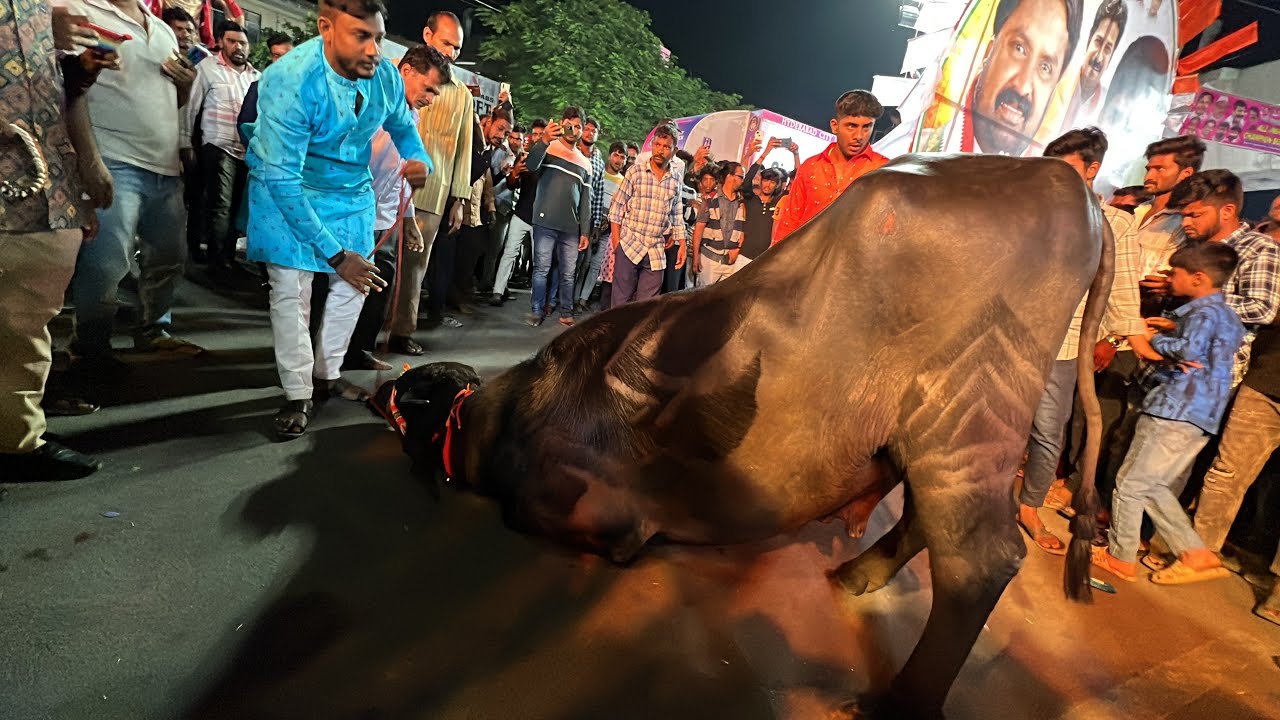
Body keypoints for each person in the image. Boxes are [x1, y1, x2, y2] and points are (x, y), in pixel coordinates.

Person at [242, 0, 431, 439]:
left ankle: (327, 374)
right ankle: (297, 392)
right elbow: (283, 179)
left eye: (379, 38)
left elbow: (403, 127)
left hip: (350, 193)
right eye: (361, 36)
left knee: (354, 285)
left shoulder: (382, 74)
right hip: (290, 191)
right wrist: (335, 253)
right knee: (292, 293)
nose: (373, 50)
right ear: (326, 29)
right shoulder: (289, 80)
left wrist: (418, 159)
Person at [1016, 127, 1156, 555]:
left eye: (1066, 169)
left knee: (1047, 431)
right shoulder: (1030, 213)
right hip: (1012, 337)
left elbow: (1124, 289)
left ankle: (1029, 506)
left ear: (1093, 169)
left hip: (1063, 346)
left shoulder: (1115, 223)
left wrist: (1131, 338)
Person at [0, 3, 115, 481]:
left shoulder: (46, 7)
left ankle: (15, 441)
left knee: (26, 326)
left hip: (45, 189)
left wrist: (86, 167)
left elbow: (58, 93)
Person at [1091, 242, 1245, 585]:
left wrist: (1150, 340)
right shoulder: (1225, 316)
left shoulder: (1202, 315)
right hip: (1200, 415)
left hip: (1175, 407)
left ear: (1198, 278)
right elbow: (1209, 345)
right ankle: (1191, 553)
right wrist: (1173, 329)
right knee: (1151, 484)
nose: (1170, 278)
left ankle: (1122, 557)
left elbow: (1189, 350)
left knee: (1131, 484)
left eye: (1175, 273)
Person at [65, 0, 200, 378]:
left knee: (169, 256)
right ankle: (89, 347)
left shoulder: (160, 27)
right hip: (114, 159)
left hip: (164, 164)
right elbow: (69, 86)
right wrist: (90, 162)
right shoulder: (80, 10)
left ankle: (154, 330)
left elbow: (173, 100)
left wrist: (186, 86)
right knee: (105, 265)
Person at [342, 45, 450, 372]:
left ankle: (357, 353)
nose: (431, 98)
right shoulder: (369, 106)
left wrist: (410, 220)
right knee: (343, 296)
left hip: (387, 218)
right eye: (428, 88)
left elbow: (402, 173)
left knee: (379, 291)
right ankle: (321, 373)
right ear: (405, 72)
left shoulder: (409, 118)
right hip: (355, 217)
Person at [388, 9, 472, 356]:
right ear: (427, 36)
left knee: (414, 268)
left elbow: (464, 150)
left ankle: (400, 332)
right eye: (446, 43)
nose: (451, 52)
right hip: (385, 184)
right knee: (376, 258)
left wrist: (460, 199)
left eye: (456, 48)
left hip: (431, 195)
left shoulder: (462, 95)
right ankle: (360, 330)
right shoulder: (395, 71)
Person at [182, 20, 259, 285]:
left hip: (246, 149)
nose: (238, 47)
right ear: (221, 42)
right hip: (217, 144)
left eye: (243, 43)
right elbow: (191, 107)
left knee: (237, 207)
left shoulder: (256, 77)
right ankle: (216, 263)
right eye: (232, 41)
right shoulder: (207, 68)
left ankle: (227, 257)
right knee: (220, 204)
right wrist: (185, 143)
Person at [955, 0, 1083, 156]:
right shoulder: (924, 138)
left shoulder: (1045, 178)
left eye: (1045, 67)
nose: (1023, 87)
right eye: (1019, 48)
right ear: (989, 51)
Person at [772, 90, 887, 244]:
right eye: (851, 126)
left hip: (854, 265)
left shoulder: (883, 170)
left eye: (867, 127)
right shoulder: (811, 166)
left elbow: (887, 230)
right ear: (835, 126)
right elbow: (790, 220)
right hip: (804, 262)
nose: (859, 136)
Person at [523, 106, 592, 327]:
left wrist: (585, 231)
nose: (574, 130)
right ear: (562, 124)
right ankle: (536, 310)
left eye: (578, 126)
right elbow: (531, 165)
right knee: (541, 268)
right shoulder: (549, 147)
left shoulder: (585, 163)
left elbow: (585, 201)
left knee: (568, 273)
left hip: (571, 227)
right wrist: (543, 140)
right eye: (569, 124)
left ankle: (565, 310)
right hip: (544, 220)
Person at [608, 123, 685, 307]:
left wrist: (682, 243)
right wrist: (617, 244)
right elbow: (617, 207)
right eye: (657, 145)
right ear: (652, 145)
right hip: (629, 245)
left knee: (645, 308)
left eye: (666, 147)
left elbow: (677, 213)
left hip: (655, 251)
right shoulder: (636, 171)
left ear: (674, 151)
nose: (660, 150)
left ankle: (635, 337)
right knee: (620, 304)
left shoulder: (675, 179)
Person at [575, 141, 627, 311]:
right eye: (616, 155)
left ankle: (583, 299)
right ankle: (573, 297)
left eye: (622, 157)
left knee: (596, 266)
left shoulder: (625, 182)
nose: (618, 160)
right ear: (609, 156)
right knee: (583, 263)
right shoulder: (599, 174)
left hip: (609, 229)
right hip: (590, 224)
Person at [1061, 0, 1126, 129]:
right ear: (1089, 41)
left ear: (1112, 56)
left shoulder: (1108, 106)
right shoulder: (1060, 82)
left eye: (1108, 48)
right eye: (1098, 41)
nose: (1099, 56)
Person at [691, 162, 747, 287]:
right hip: (710, 260)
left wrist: (736, 250)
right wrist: (695, 257)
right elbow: (699, 229)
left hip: (730, 263)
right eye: (740, 176)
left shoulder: (741, 201)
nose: (742, 180)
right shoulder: (710, 199)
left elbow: (741, 229)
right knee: (703, 299)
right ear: (729, 177)